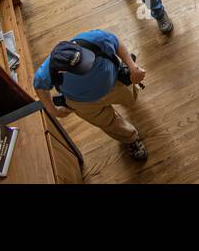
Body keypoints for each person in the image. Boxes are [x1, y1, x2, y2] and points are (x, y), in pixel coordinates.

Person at [33, 30, 149, 161]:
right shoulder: (47, 72)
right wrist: (53, 110)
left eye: (84, 57)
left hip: (115, 83)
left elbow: (116, 42)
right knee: (108, 123)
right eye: (83, 67)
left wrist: (133, 67)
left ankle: (129, 102)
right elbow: (39, 85)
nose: (90, 62)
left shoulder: (93, 39)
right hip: (83, 103)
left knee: (131, 98)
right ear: (62, 71)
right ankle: (130, 138)